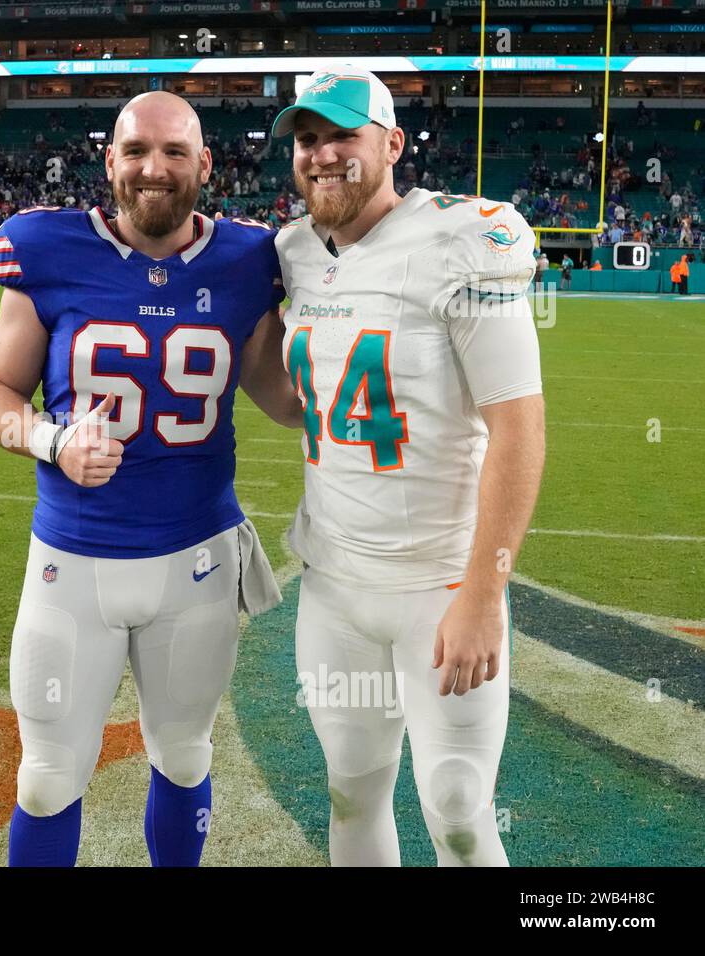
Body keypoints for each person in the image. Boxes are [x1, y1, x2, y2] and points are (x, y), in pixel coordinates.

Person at [0, 91, 285, 868]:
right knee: (48, 778)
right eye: (137, 150)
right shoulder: (46, 247)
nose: (154, 168)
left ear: (204, 164)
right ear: (110, 160)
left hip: (197, 562)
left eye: (175, 152)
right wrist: (51, 441)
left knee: (184, 755)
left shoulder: (249, 260)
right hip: (72, 562)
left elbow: (284, 399)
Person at [268, 67, 545, 866]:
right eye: (307, 139)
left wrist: (484, 595)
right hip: (334, 589)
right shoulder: (294, 251)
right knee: (351, 795)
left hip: (441, 587)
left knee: (457, 812)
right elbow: (301, 404)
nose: (322, 154)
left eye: (342, 135)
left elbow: (519, 427)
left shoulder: (461, 239)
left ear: (392, 144)